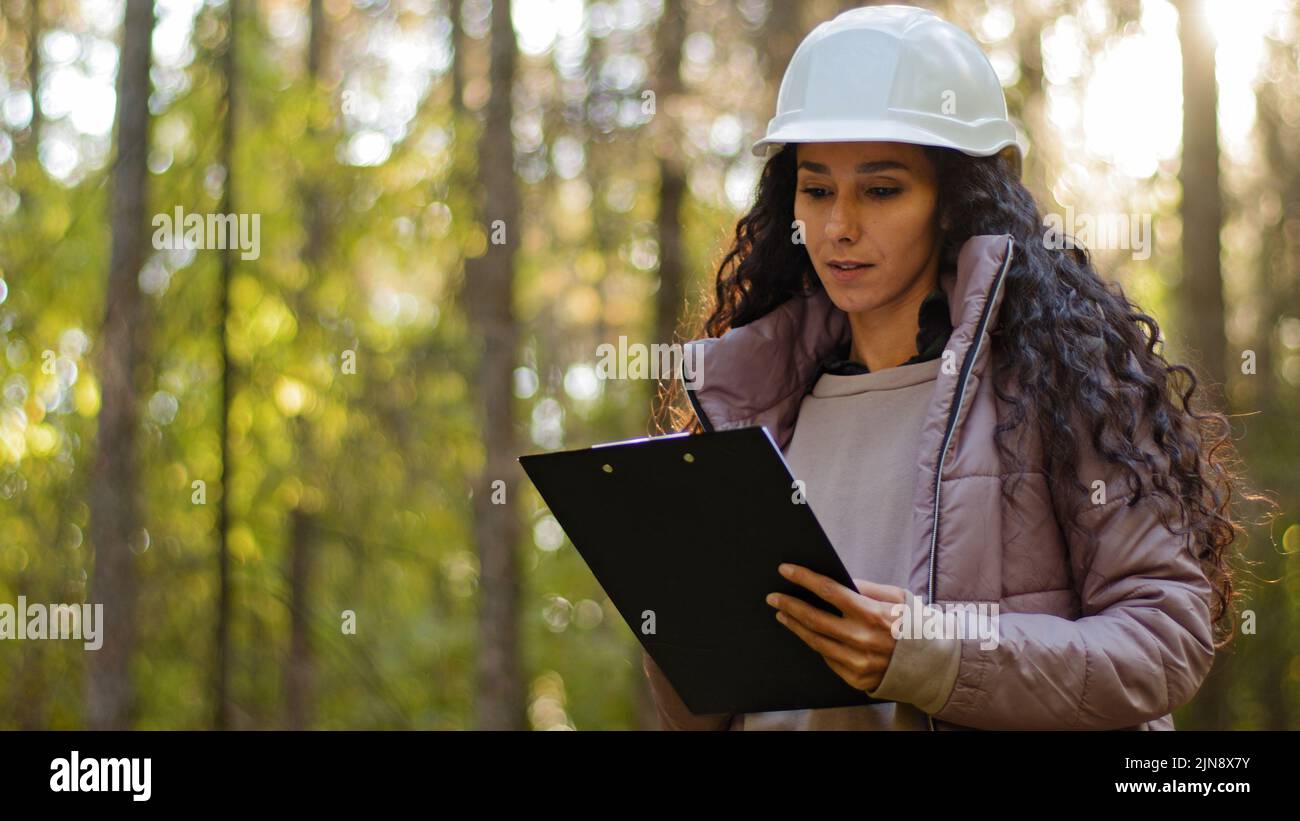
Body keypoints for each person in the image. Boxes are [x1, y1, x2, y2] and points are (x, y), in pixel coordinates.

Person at [643, 4, 1248, 730]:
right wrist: (673, 612)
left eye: (882, 188)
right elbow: (707, 711)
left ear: (956, 200)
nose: (840, 225)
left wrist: (938, 656)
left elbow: (1163, 639)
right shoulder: (754, 399)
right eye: (817, 188)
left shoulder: (1060, 383)